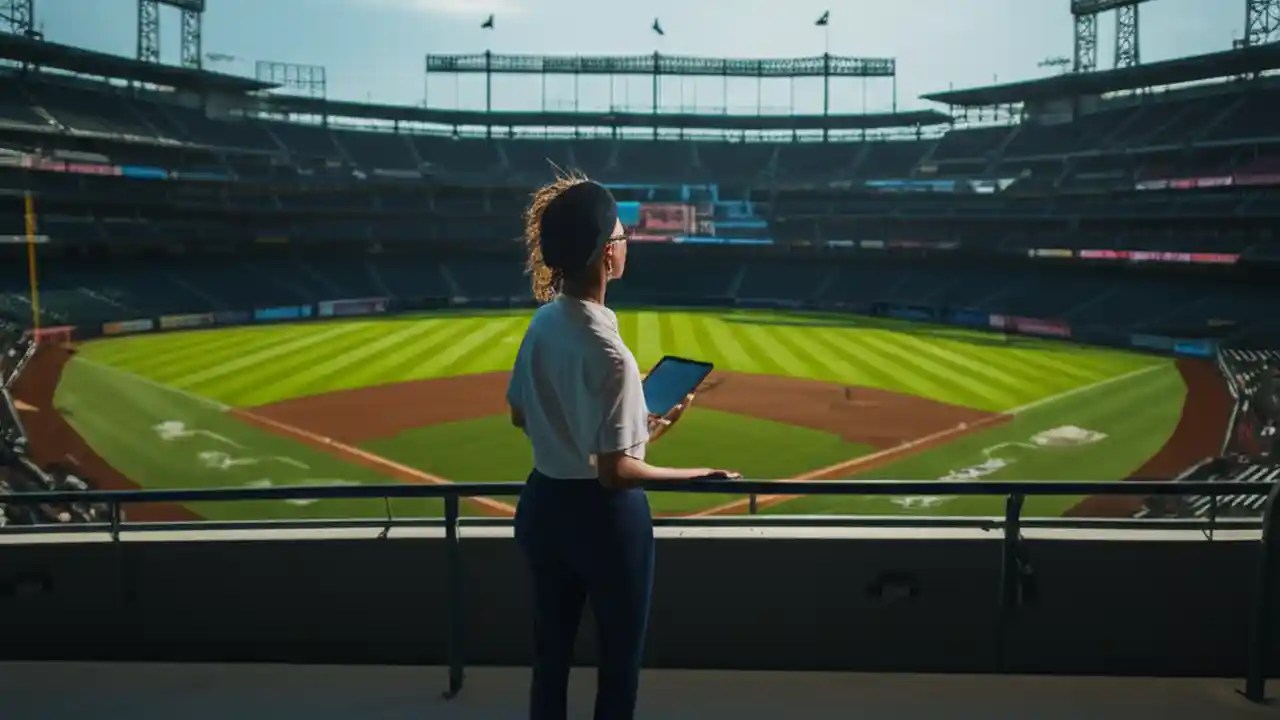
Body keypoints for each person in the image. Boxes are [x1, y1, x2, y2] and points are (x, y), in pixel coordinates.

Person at [506, 173, 740, 720]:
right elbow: (615, 474)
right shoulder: (611, 353)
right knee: (618, 667)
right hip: (605, 522)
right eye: (621, 234)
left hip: (542, 507)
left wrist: (644, 430)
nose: (625, 243)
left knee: (550, 662)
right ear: (605, 254)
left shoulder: (542, 323)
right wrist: (697, 475)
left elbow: (522, 414)